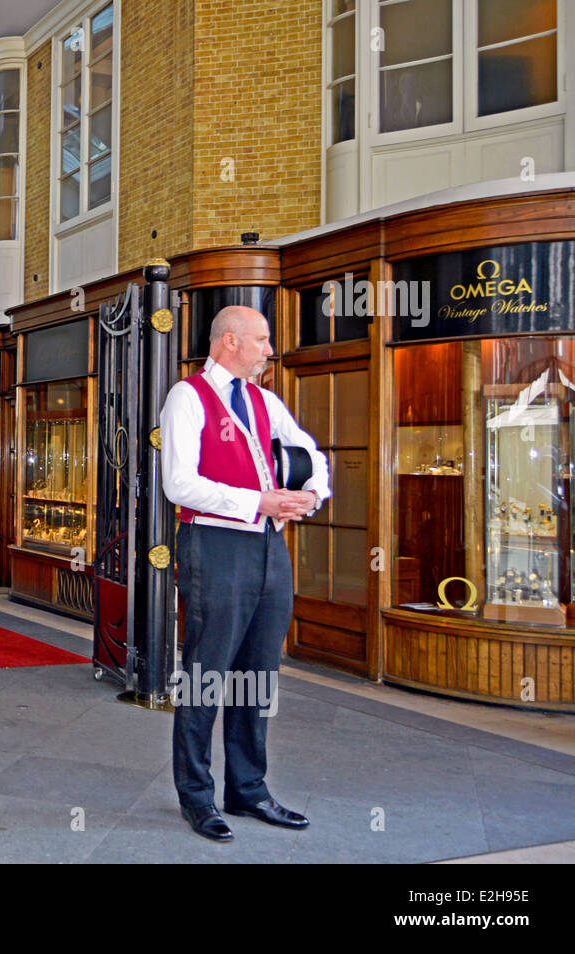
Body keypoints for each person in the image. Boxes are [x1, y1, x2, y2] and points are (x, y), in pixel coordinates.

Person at [159, 305, 330, 842]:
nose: (268, 350)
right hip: (215, 545)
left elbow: (312, 454)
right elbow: (179, 484)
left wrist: (309, 495)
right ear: (229, 342)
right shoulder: (187, 397)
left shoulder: (266, 401)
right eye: (261, 340)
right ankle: (196, 796)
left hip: (269, 548)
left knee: (259, 674)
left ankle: (249, 790)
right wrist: (259, 500)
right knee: (207, 674)